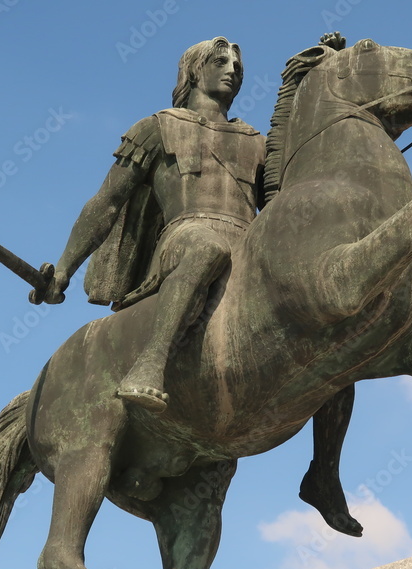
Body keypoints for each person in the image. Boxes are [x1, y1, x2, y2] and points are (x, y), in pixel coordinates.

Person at [44, 36, 265, 413]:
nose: (233, 71)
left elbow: (281, 204)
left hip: (248, 242)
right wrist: (63, 270)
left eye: (238, 67)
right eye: (220, 62)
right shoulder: (158, 127)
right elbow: (106, 202)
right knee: (207, 246)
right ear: (194, 72)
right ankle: (150, 364)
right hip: (184, 236)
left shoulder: (258, 142)